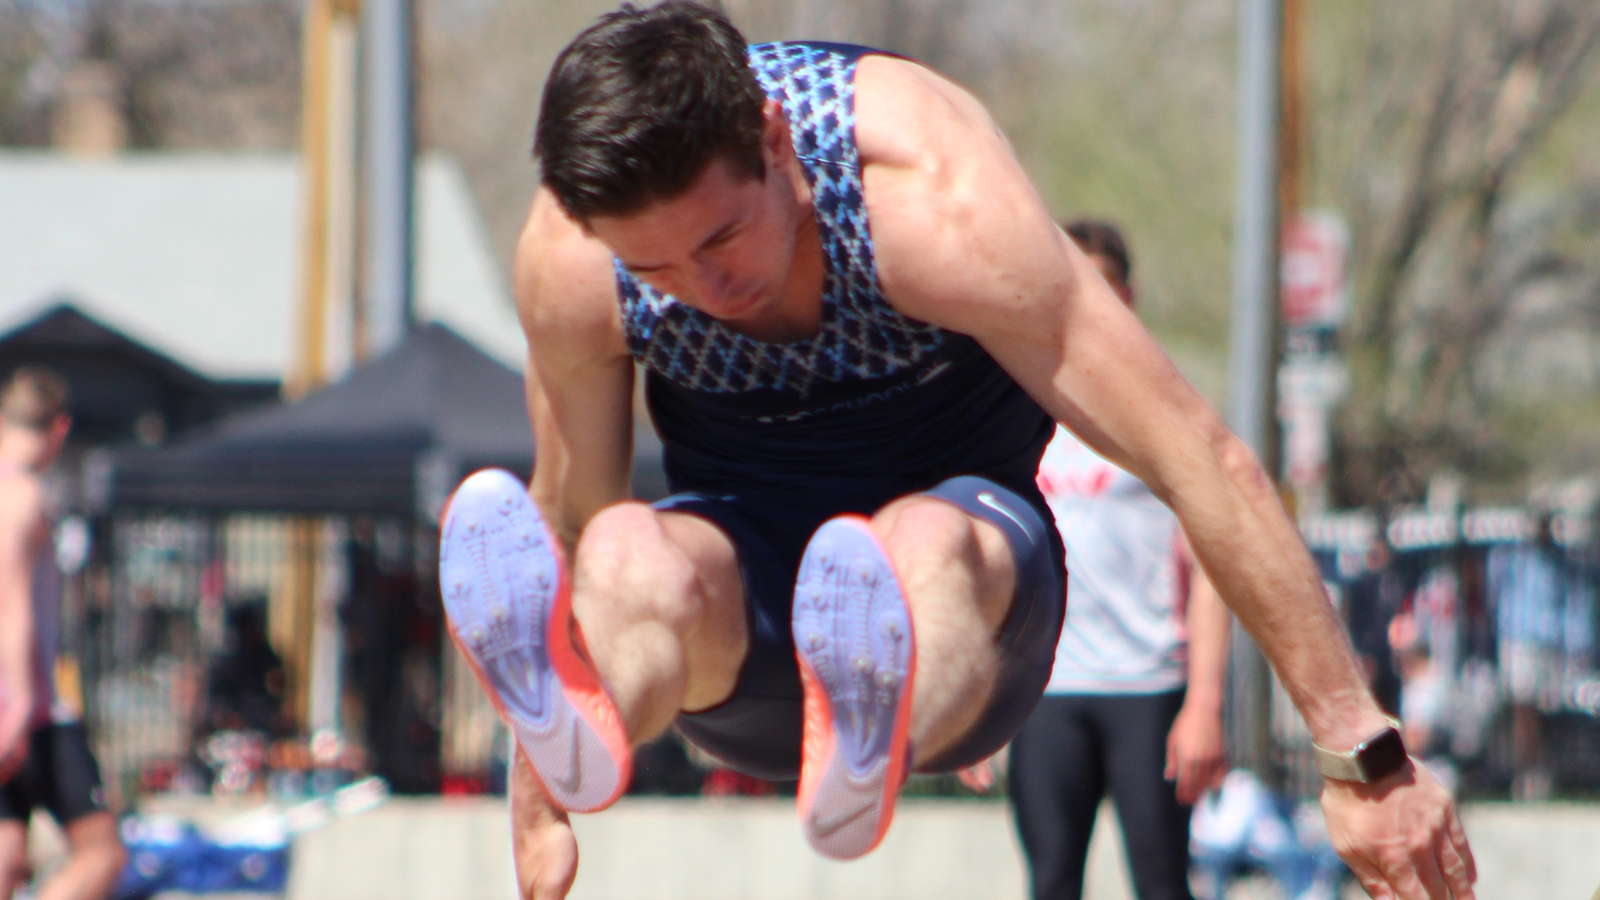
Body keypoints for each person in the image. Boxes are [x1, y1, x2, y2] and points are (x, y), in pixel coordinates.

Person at [436, 5, 1474, 898]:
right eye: (653, 266)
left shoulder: (930, 198)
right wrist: (543, 797)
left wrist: (1365, 759)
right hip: (741, 625)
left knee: (916, 544)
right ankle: (618, 720)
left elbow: (1196, 456)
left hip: (972, 597)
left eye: (720, 240)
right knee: (622, 552)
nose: (703, 286)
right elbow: (570, 519)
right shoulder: (573, 260)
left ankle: (875, 712)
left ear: (774, 138)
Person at [1008, 219, 1231, 900]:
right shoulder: (1017, 407)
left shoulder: (1162, 410)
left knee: (1162, 886)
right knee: (1051, 882)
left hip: (1146, 688)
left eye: (1100, 285)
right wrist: (978, 702)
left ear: (1126, 297)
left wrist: (1205, 704)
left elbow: (1213, 572)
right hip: (1049, 692)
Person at [0, 368, 126, 900]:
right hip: (29, 703)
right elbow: (11, 605)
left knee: (7, 848)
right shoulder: (22, 495)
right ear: (60, 429)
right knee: (101, 851)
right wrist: (22, 702)